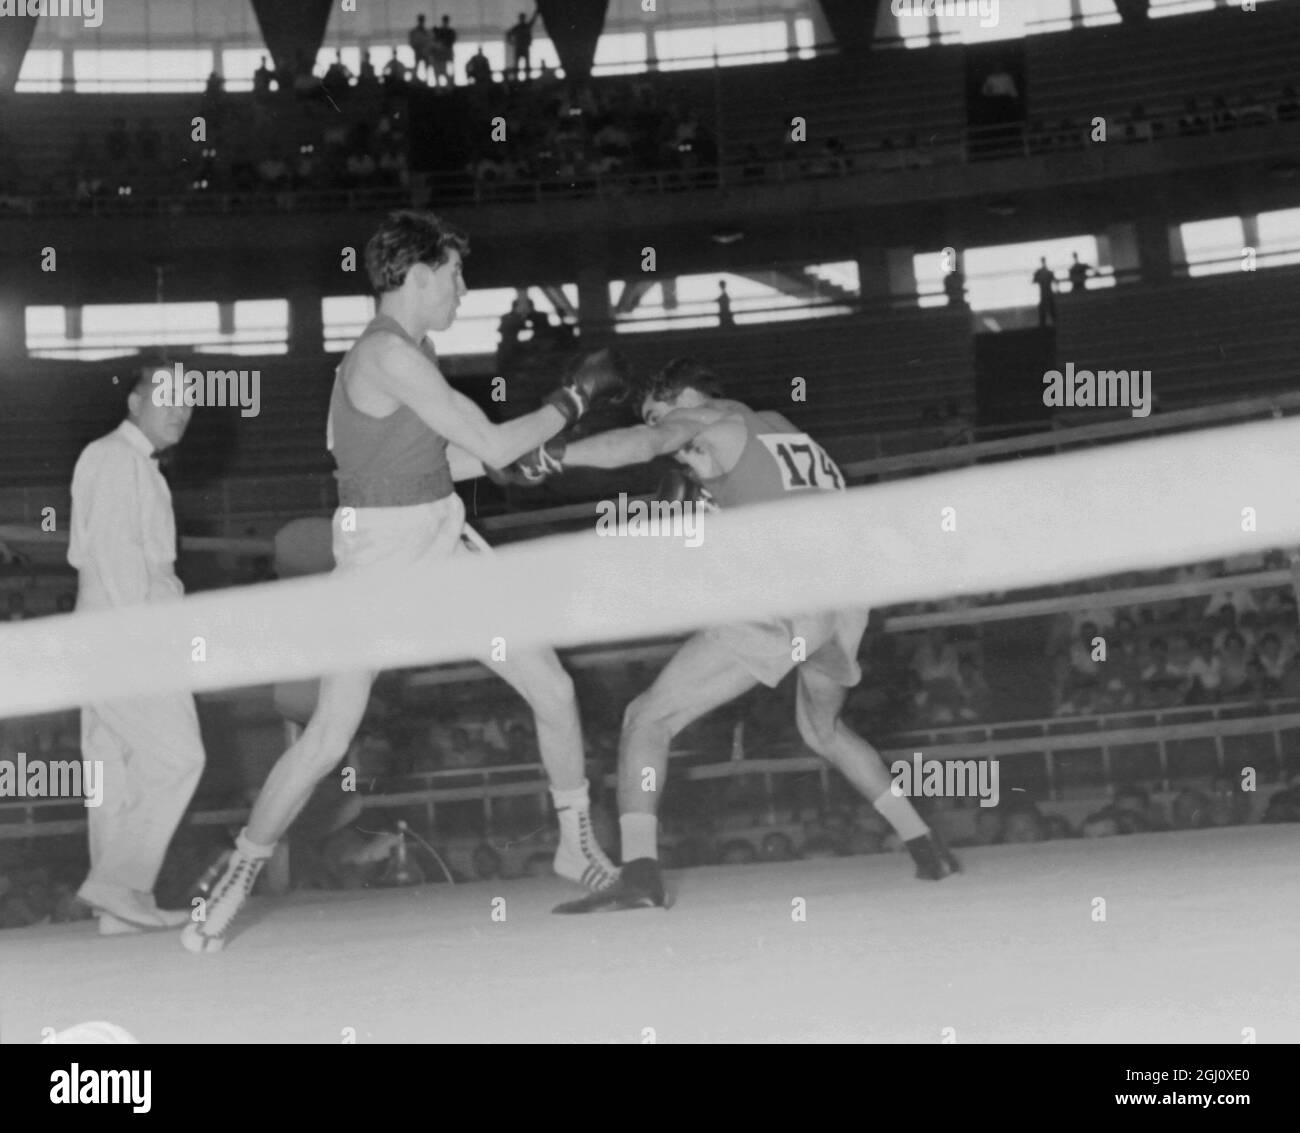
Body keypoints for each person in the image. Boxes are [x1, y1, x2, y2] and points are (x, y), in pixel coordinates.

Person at [181, 211, 626, 952]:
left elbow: (441, 460)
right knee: (328, 735)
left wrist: (524, 457)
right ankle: (239, 871)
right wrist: (570, 402)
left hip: (436, 537)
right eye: (453, 274)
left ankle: (575, 843)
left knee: (551, 686)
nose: (461, 287)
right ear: (417, 276)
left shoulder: (407, 354)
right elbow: (483, 440)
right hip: (382, 558)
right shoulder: (384, 355)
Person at [510, 357, 960, 912]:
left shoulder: (705, 419)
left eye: (659, 418)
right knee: (824, 730)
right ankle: (927, 848)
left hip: (790, 596)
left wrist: (551, 455)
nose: (668, 440)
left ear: (683, 399)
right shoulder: (777, 426)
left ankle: (641, 873)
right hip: (844, 601)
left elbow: (641, 446)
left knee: (647, 717)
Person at [67, 372, 206, 934]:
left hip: (106, 634)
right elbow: (116, 557)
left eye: (190, 405)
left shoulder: (129, 463)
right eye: (169, 400)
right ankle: (118, 885)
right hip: (127, 636)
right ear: (134, 402)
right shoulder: (114, 458)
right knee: (180, 757)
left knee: (114, 774)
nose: (181, 412)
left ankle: (117, 908)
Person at [506, 11, 541, 82]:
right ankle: (517, 78)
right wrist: (511, 42)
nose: (522, 19)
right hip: (520, 48)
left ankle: (526, 78)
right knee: (518, 65)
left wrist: (536, 14)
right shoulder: (518, 27)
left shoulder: (524, 27)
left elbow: (532, 21)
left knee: (526, 64)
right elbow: (508, 33)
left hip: (523, 48)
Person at [431, 14, 457, 87]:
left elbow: (451, 41)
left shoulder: (450, 31)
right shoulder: (441, 31)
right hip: (441, 56)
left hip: (446, 55)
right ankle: (441, 86)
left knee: (448, 72)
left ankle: (449, 85)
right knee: (440, 72)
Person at [1032, 256, 1057, 326]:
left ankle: (1046, 324)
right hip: (1047, 294)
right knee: (1049, 310)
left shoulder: (1042, 272)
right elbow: (1034, 281)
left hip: (1045, 294)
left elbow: (1034, 281)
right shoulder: (1047, 272)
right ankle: (1051, 323)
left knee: (1047, 310)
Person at [408, 15, 433, 82]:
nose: (422, 21)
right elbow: (411, 42)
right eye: (421, 20)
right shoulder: (414, 32)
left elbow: (430, 42)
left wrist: (426, 49)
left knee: (426, 67)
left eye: (422, 20)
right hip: (418, 52)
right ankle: (415, 80)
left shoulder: (427, 32)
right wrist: (417, 48)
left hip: (425, 53)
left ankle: (426, 80)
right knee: (417, 66)